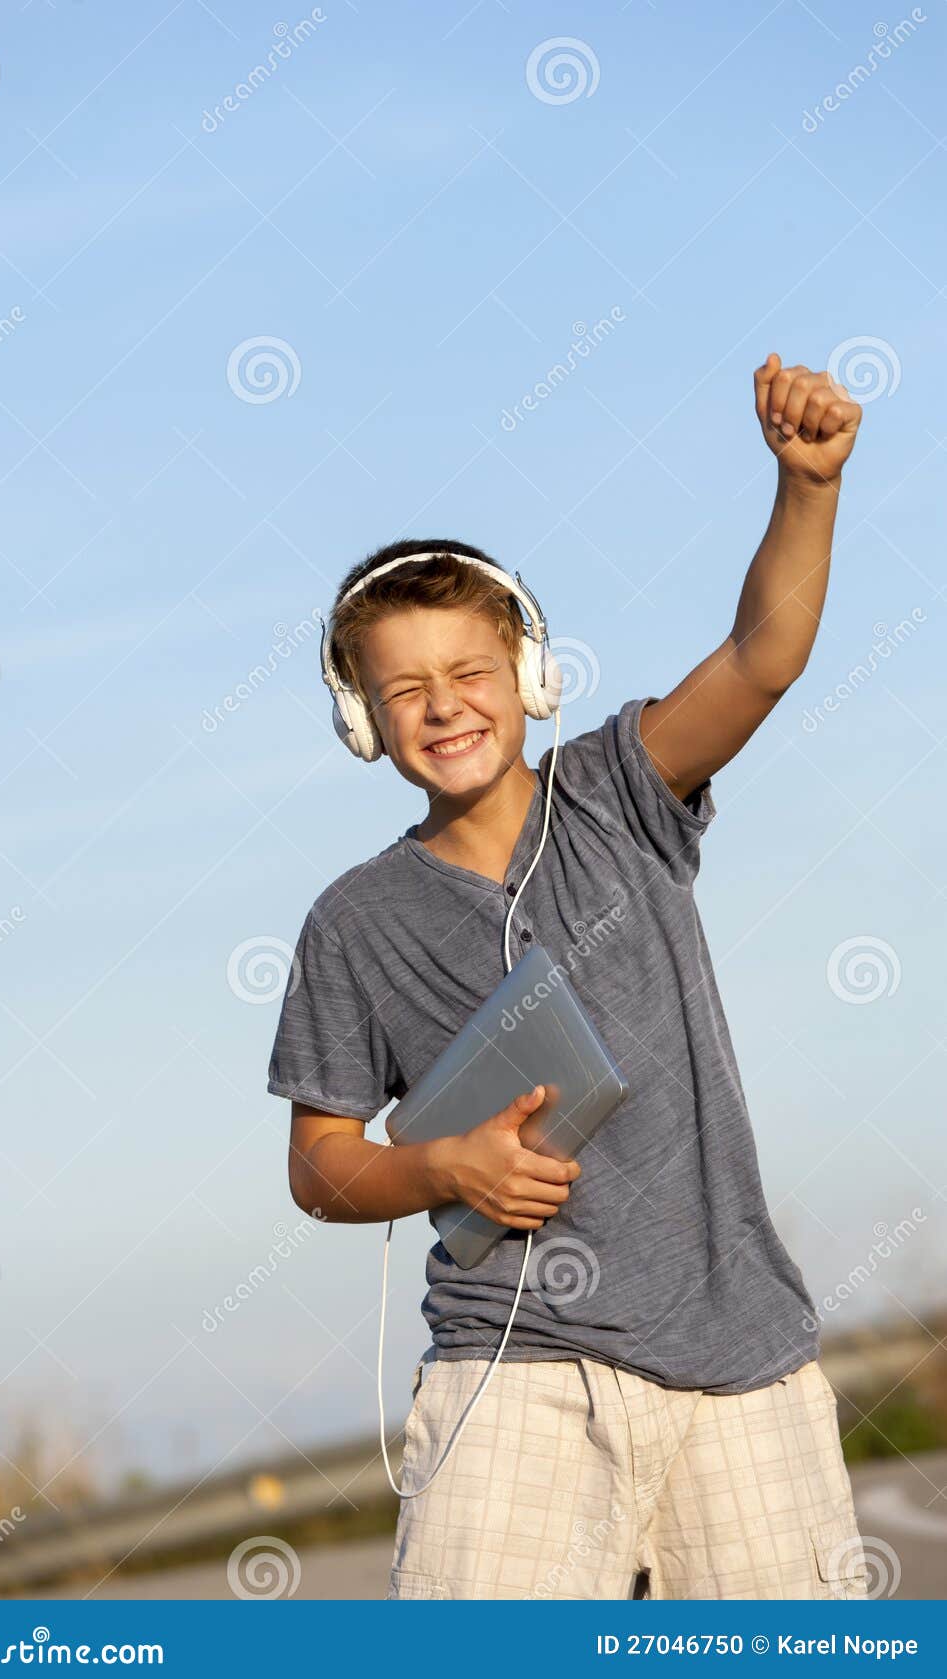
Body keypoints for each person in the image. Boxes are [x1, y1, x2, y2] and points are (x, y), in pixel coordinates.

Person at [267, 355, 870, 1599]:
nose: (444, 708)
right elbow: (319, 1164)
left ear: (529, 677)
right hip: (511, 1371)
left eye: (469, 673)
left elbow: (761, 658)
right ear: (362, 722)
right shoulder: (351, 922)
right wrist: (443, 1167)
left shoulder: (618, 792)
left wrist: (804, 488)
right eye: (404, 690)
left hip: (739, 1364)